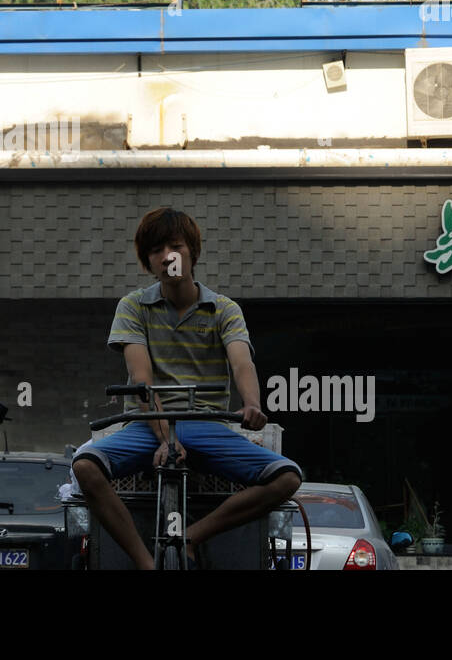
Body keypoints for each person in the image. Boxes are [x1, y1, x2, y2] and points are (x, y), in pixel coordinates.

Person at [70, 207, 303, 569]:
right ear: (148, 260)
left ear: (192, 252)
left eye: (175, 247)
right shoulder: (133, 307)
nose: (167, 257)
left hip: (208, 423)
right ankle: (145, 562)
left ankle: (194, 536)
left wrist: (252, 404)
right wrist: (165, 438)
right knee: (85, 467)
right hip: (149, 424)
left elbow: (242, 362)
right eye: (156, 251)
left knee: (287, 477)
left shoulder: (224, 309)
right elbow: (142, 380)